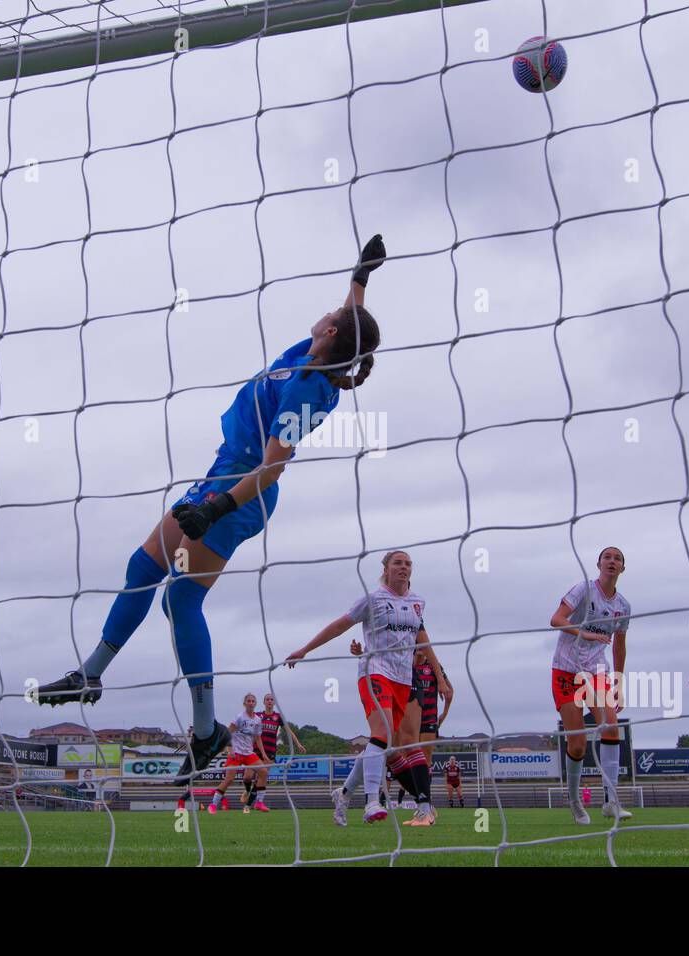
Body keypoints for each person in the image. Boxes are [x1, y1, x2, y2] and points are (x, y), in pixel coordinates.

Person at [36, 235, 387, 794]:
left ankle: (204, 731)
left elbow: (273, 467)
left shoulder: (307, 388)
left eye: (329, 316)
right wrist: (362, 273)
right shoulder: (316, 349)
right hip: (218, 473)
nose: (322, 315)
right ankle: (93, 675)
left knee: (181, 599)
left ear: (329, 334)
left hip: (241, 492)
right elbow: (352, 321)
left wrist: (219, 506)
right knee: (142, 568)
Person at [287, 550, 450, 826]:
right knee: (384, 734)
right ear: (385, 569)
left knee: (381, 743)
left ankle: (344, 792)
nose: (404, 567)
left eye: (408, 563)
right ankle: (372, 801)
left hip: (403, 680)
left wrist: (440, 678)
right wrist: (305, 649)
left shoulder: (417, 603)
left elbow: (424, 641)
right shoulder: (373, 599)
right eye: (398, 563)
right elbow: (339, 626)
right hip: (374, 672)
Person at [548, 547, 631, 824]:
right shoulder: (583, 589)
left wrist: (617, 681)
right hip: (566, 669)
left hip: (596, 673)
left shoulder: (623, 606)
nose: (612, 561)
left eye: (617, 558)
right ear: (598, 564)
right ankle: (574, 801)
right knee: (578, 745)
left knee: (610, 726)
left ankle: (611, 801)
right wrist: (581, 632)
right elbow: (556, 619)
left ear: (622, 568)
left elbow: (620, 646)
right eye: (607, 557)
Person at [394, 647, 452, 810]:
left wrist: (444, 714)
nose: (419, 649)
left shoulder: (433, 666)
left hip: (428, 718)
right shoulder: (406, 666)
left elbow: (449, 691)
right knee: (404, 758)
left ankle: (427, 803)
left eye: (422, 645)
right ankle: (417, 798)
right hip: (409, 719)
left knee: (425, 759)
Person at [247, 692, 305, 812]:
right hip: (255, 750)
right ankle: (247, 794)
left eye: (271, 699)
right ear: (264, 702)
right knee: (247, 777)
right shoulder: (257, 716)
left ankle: (250, 805)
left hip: (270, 752)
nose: (269, 701)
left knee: (261, 778)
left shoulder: (278, 717)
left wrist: (298, 743)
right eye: (267, 699)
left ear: (274, 702)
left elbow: (289, 731)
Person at [208, 694, 265, 815]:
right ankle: (213, 804)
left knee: (264, 772)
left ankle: (259, 802)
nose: (251, 703)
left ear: (255, 703)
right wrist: (230, 749)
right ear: (245, 703)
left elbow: (258, 738)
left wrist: (263, 754)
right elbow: (228, 733)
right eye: (248, 701)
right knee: (229, 779)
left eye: (253, 701)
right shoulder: (239, 717)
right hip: (236, 753)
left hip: (248, 753)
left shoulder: (257, 720)